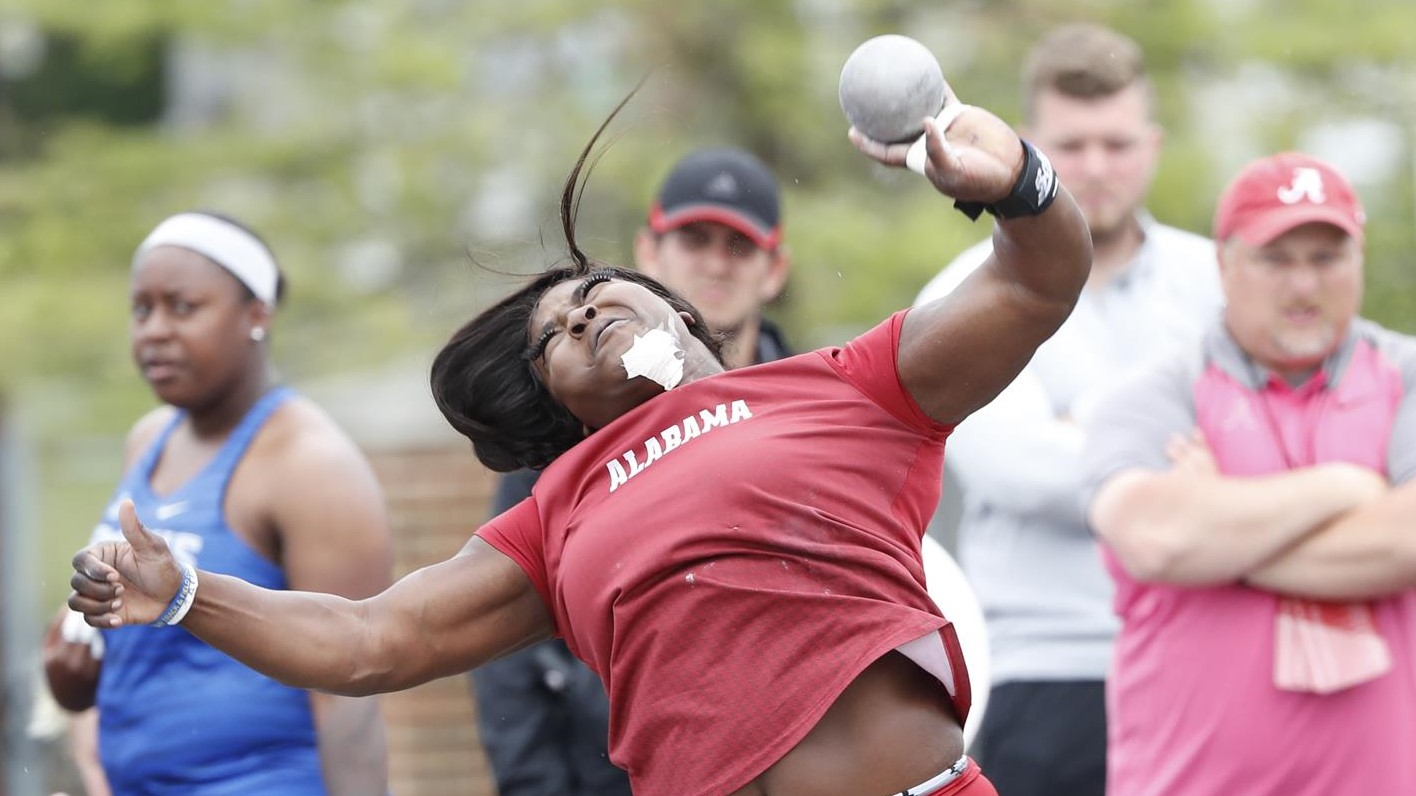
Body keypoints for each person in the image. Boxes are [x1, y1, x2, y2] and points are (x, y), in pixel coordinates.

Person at [66, 80, 1092, 796]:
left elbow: (1035, 282)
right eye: (551, 337)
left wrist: (1016, 185)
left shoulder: (836, 387)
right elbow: (375, 639)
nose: (576, 319)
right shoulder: (556, 507)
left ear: (679, 316)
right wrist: (192, 597)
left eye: (595, 296)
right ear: (562, 403)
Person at [911, 24, 1222, 795]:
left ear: (1151, 145)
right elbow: (1023, 474)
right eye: (1071, 145)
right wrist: (1183, 453)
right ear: (1026, 146)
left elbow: (1267, 449)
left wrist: (1079, 426)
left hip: (1211, 659)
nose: (1096, 167)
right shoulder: (957, 298)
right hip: (1041, 671)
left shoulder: (1220, 283)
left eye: (1117, 144)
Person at [1085, 152, 1416, 795]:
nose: (1303, 286)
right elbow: (1156, 538)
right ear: (1223, 264)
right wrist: (1348, 487)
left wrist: (1221, 525)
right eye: (1275, 260)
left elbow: (1407, 543)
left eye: (1326, 258)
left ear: (1360, 260)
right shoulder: (1154, 393)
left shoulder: (1407, 376)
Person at [473, 146, 791, 796]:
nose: (714, 261)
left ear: (774, 268)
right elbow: (501, 648)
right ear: (648, 253)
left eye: (739, 245)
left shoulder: (812, 400)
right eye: (694, 239)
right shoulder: (558, 446)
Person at [42, 211, 394, 795]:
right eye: (141, 309)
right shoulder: (148, 440)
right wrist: (71, 669)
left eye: (182, 308)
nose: (154, 329)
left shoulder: (311, 464)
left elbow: (351, 693)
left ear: (257, 315)